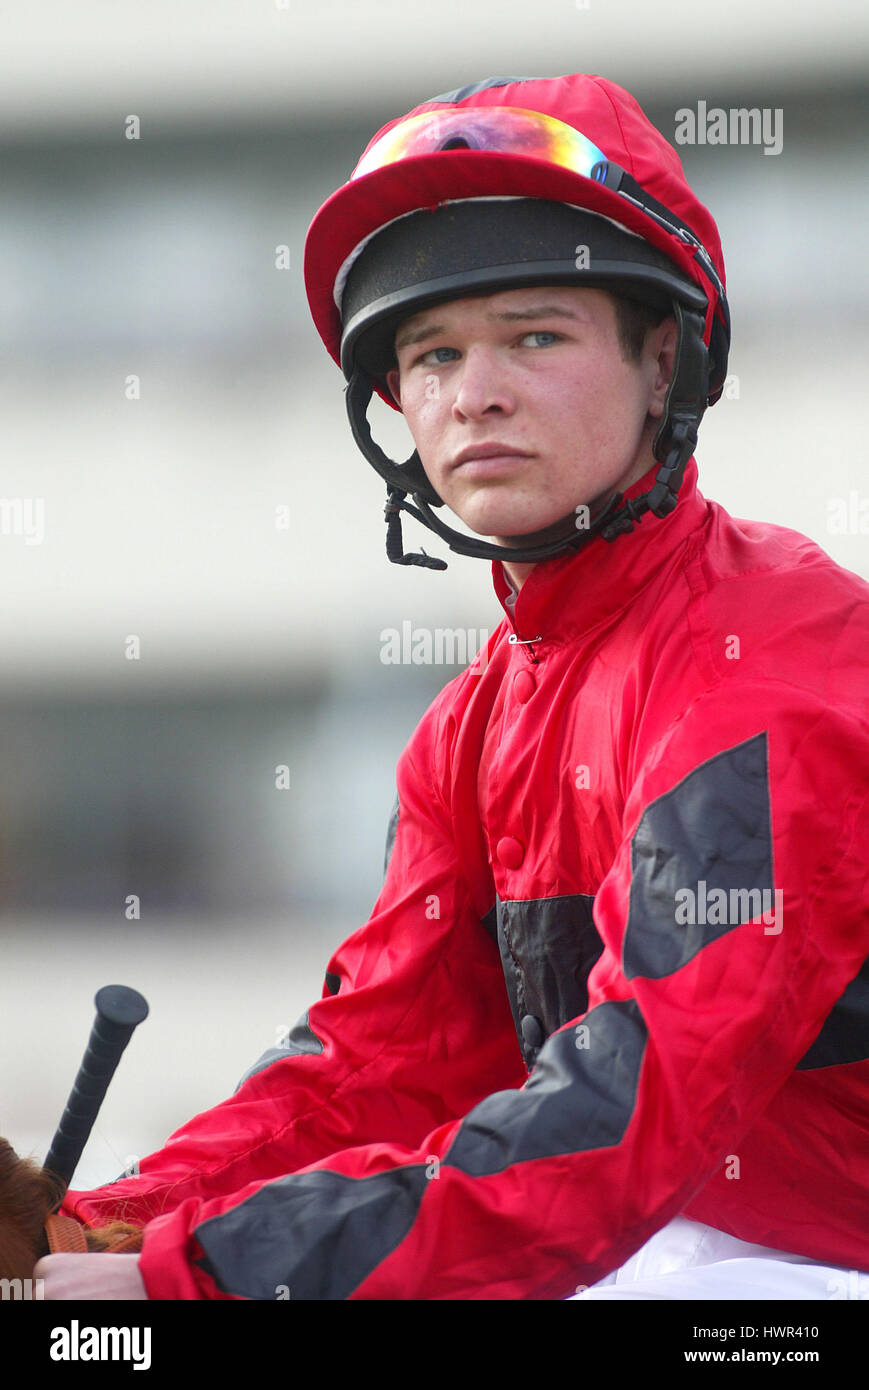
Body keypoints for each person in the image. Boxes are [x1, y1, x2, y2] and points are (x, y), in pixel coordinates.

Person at [37, 72, 869, 1301]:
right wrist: (101, 1228)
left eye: (534, 335)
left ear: (663, 361)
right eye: (432, 353)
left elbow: (632, 1113)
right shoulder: (471, 723)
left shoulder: (770, 670)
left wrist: (197, 1278)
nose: (472, 391)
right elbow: (377, 1065)